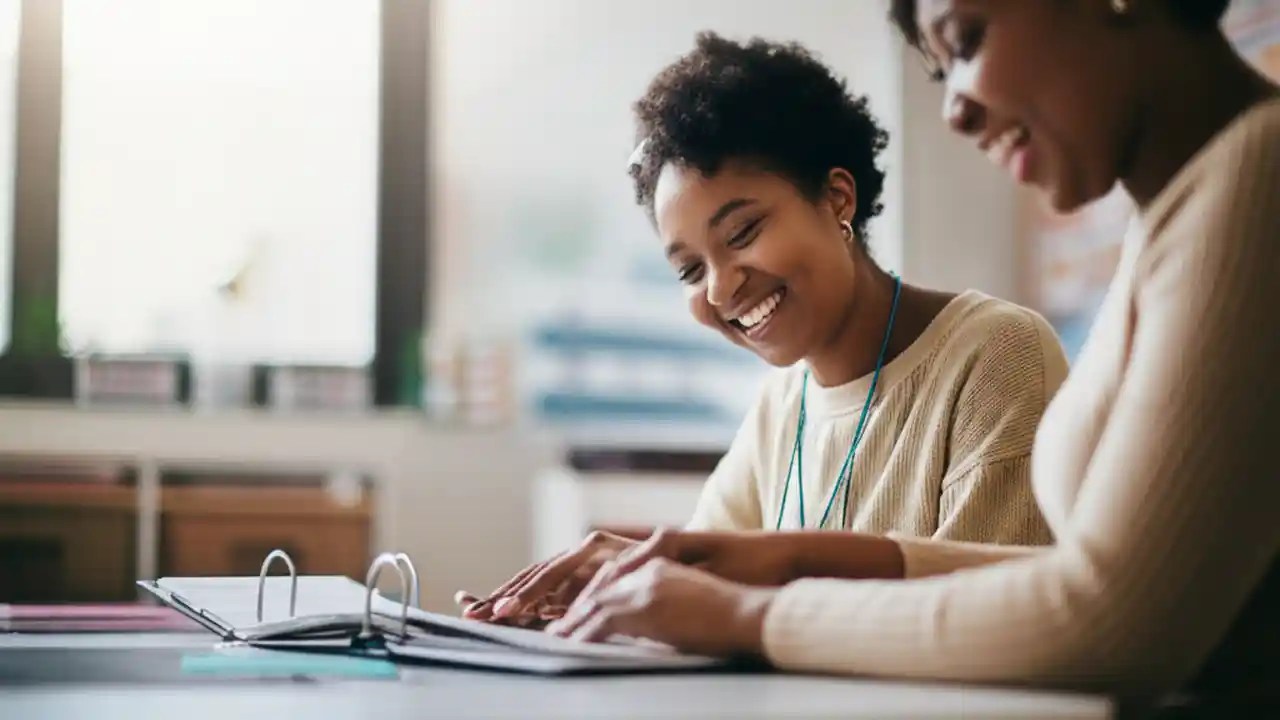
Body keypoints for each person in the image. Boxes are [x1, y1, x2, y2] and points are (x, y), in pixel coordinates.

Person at [534, 0, 1280, 707]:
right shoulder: (1182, 214)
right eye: (690, 269)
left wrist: (751, 613)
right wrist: (781, 561)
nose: (953, 110)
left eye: (966, 41)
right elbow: (1081, 580)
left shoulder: (1259, 181)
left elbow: (1114, 621)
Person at [457, 33, 1067, 626]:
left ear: (836, 199)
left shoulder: (995, 353)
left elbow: (987, 621)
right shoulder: (783, 405)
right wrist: (604, 604)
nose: (720, 288)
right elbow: (700, 582)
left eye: (743, 234)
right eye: (691, 269)